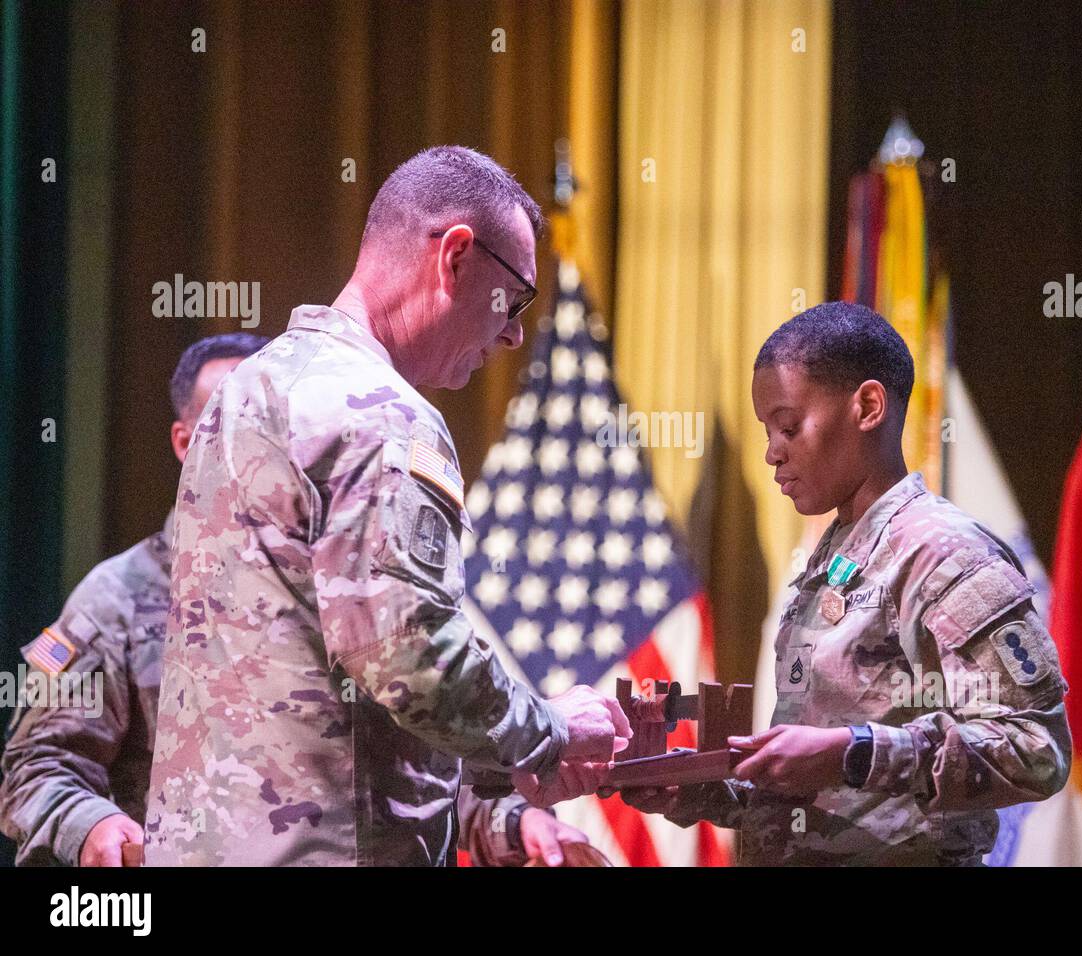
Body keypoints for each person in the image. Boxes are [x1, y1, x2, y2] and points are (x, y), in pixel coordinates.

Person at [144, 146, 630, 866]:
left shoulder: (248, 389)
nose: (514, 334)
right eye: (516, 298)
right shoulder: (382, 415)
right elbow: (409, 656)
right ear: (456, 256)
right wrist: (548, 728)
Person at [624, 301, 1071, 865]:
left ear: (867, 406)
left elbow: (1036, 750)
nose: (771, 453)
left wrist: (854, 753)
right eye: (767, 431)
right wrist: (701, 787)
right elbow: (827, 797)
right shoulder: (830, 558)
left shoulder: (945, 554)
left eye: (788, 426)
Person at [0, 334, 266, 865]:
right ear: (185, 442)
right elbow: (36, 766)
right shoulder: (115, 598)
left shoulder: (334, 588)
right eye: (229, 421)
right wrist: (92, 822)